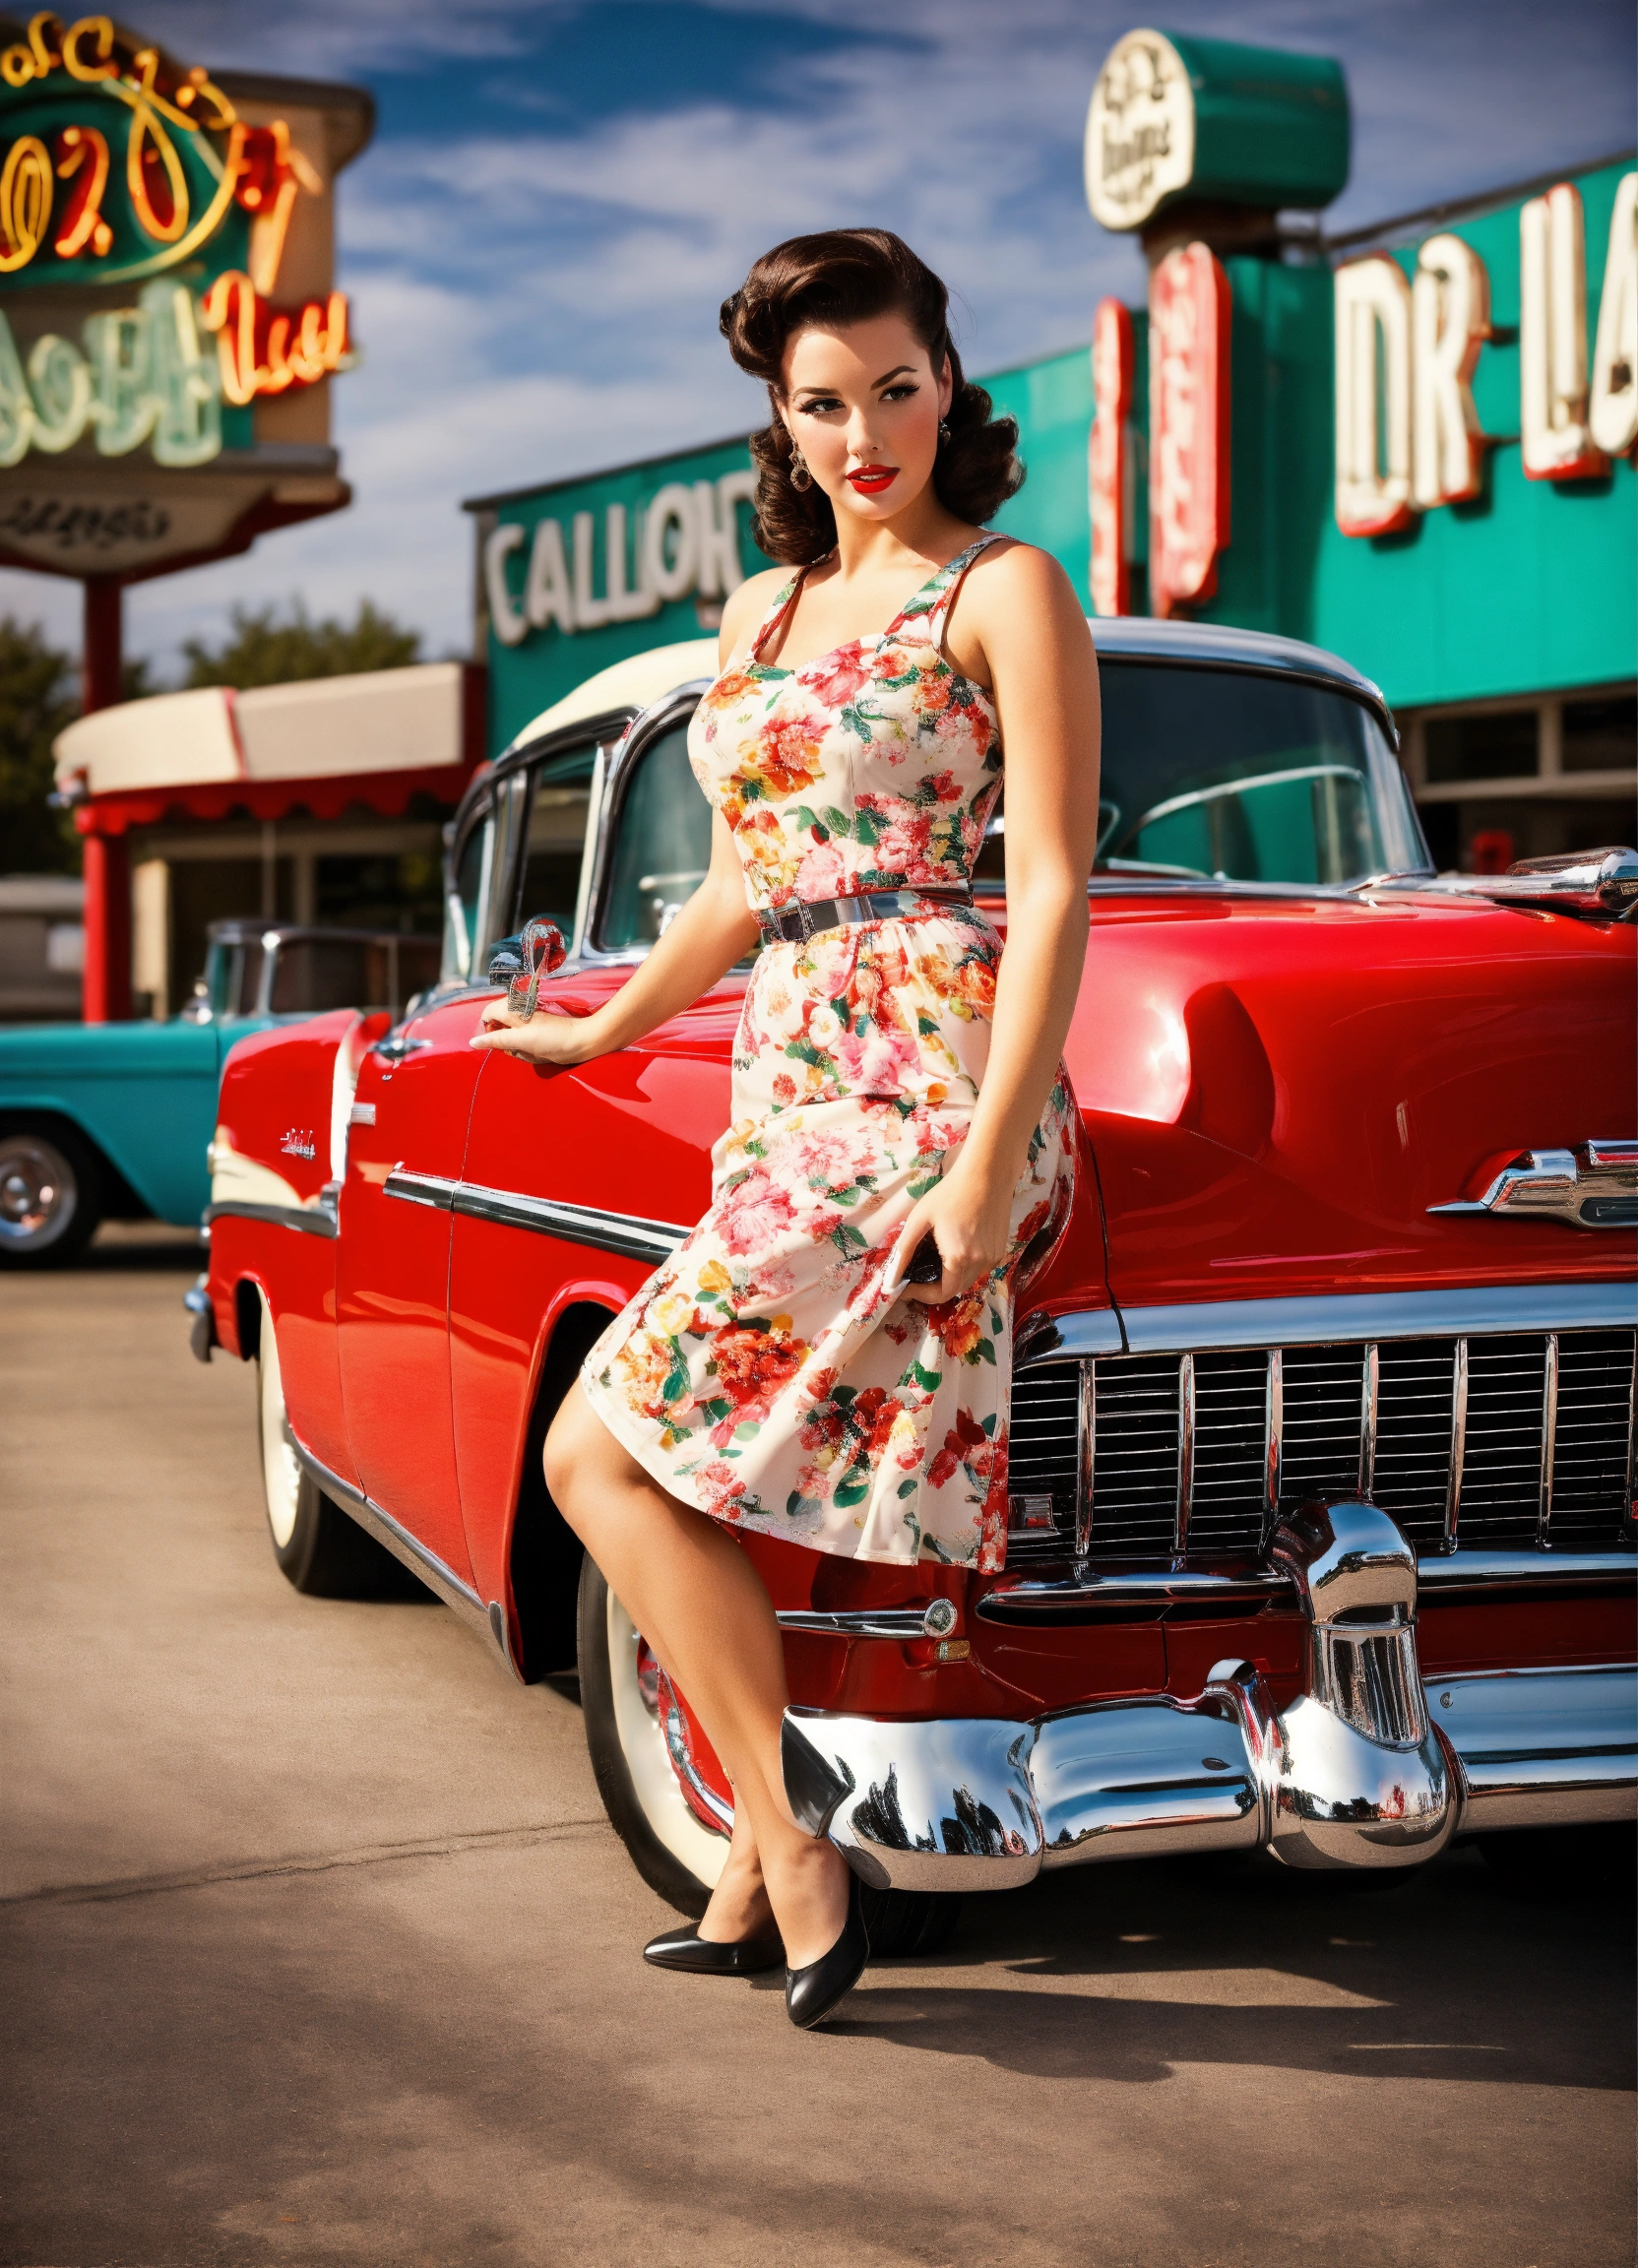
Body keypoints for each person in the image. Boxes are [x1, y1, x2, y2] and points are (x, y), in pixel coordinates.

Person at [472, 228, 1101, 2027]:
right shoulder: (756, 617)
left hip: (941, 1070)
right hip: (792, 1079)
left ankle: (793, 1840)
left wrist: (990, 1153)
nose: (864, 434)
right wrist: (605, 1023)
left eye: (895, 389)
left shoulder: (1002, 588)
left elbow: (1051, 886)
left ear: (948, 380)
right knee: (698, 1477)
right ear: (780, 415)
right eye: (821, 402)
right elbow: (750, 884)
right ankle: (757, 1856)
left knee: (598, 1455)